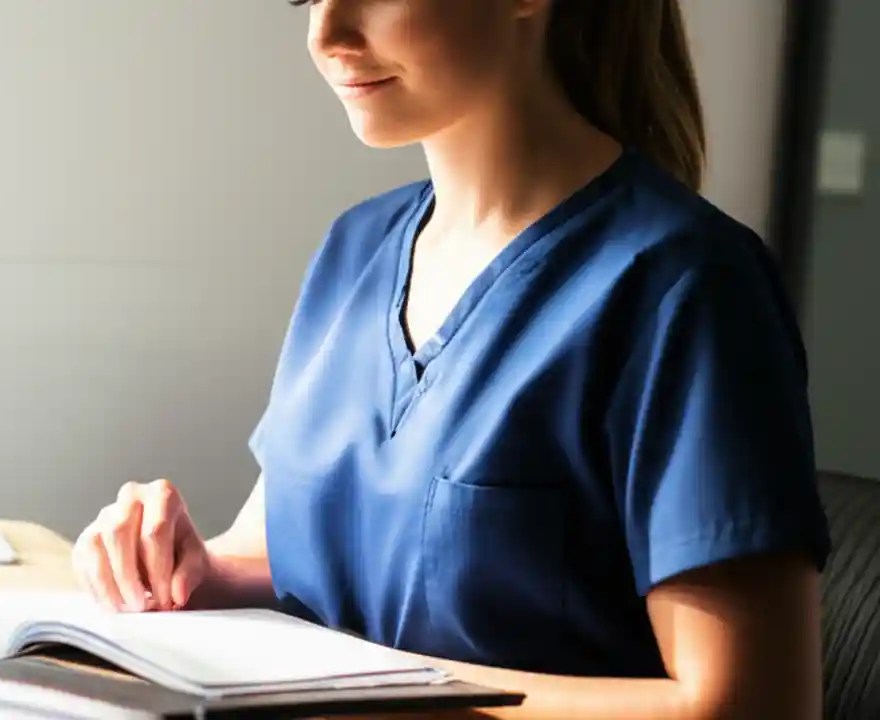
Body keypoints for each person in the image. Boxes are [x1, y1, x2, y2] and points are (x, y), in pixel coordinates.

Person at [72, 1, 831, 717]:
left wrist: (380, 699)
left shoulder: (684, 287)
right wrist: (189, 570)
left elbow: (748, 704)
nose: (328, 32)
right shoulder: (356, 252)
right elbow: (289, 551)